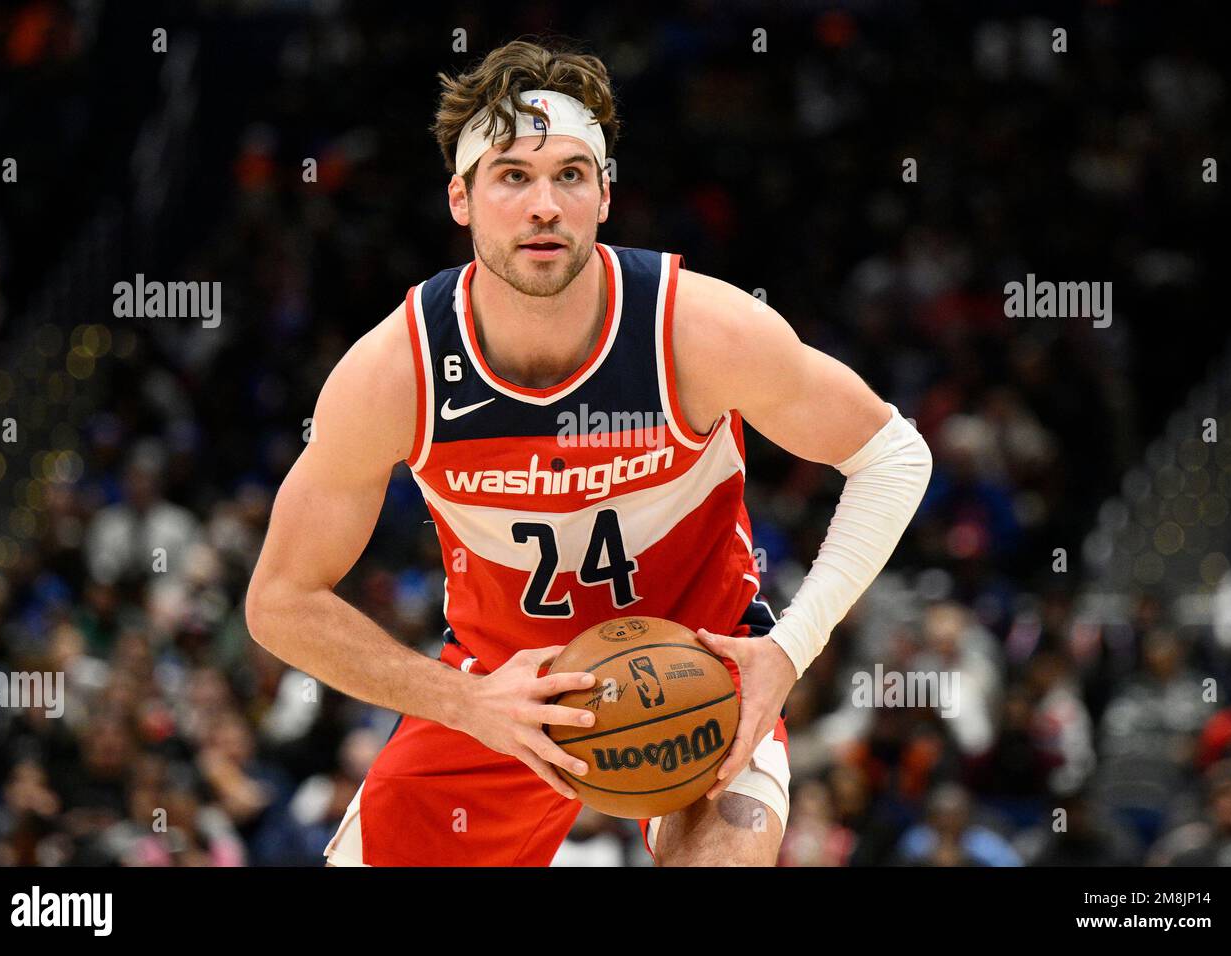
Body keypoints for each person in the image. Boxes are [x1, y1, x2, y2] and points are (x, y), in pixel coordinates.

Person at [245, 39, 932, 866]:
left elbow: (893, 454)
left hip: (695, 676)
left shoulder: (695, 330)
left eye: (571, 174)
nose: (545, 205)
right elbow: (280, 601)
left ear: (605, 194)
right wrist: (463, 700)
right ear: (460, 199)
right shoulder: (396, 373)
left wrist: (786, 654)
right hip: (504, 689)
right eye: (512, 176)